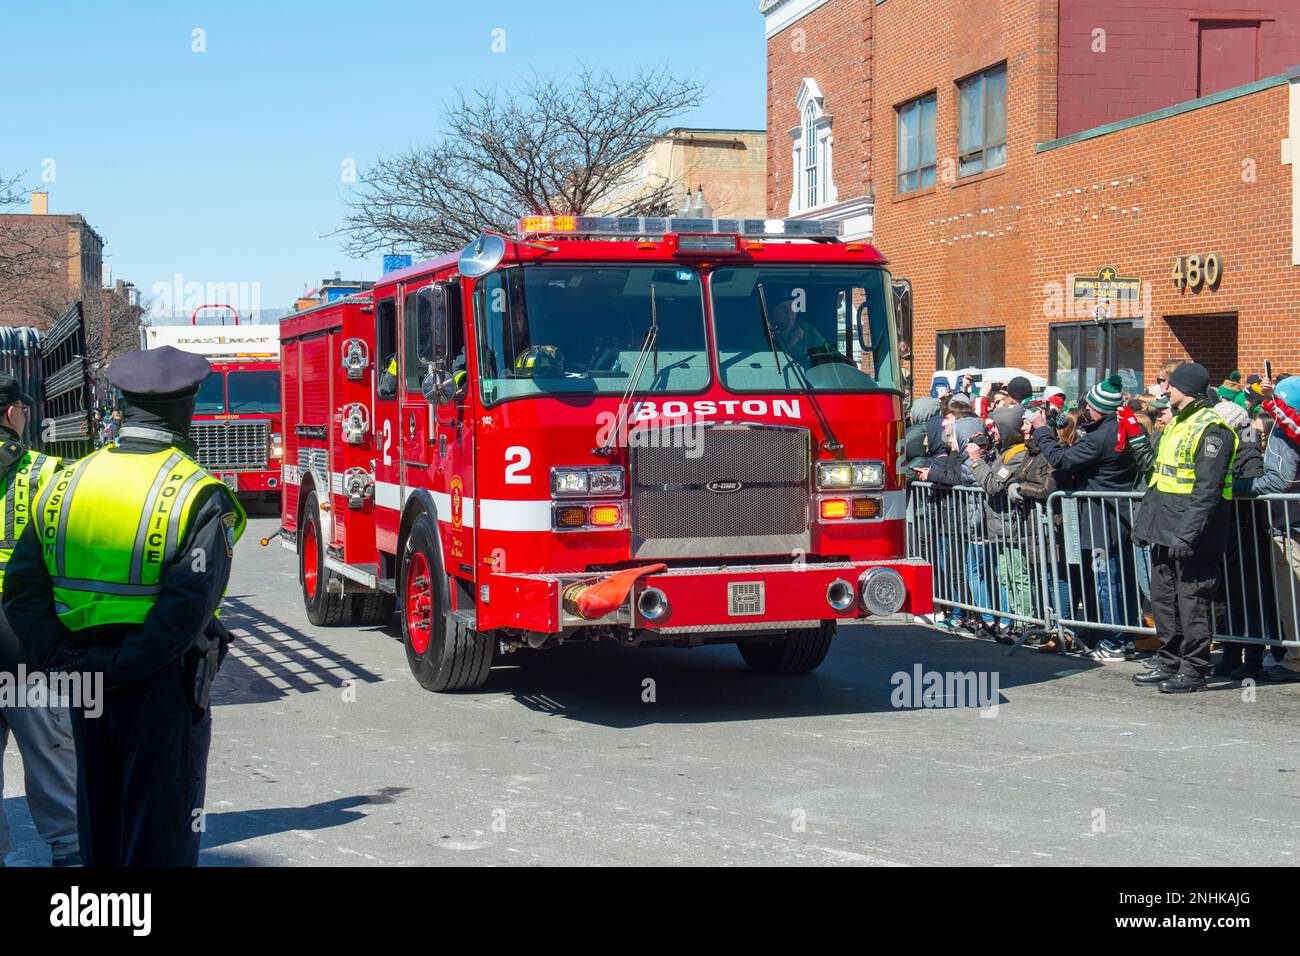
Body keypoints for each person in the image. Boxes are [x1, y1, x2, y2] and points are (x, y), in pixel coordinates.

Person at [3, 346, 247, 866]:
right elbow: (185, 612)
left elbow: (22, 590)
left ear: (121, 404)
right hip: (160, 686)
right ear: (188, 408)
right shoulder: (198, 493)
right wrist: (120, 668)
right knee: (160, 829)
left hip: (83, 682)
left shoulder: (65, 482)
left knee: (99, 822)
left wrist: (69, 664)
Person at [0, 375, 79, 867]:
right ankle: (74, 865)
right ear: (12, 413)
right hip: (24, 635)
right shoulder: (49, 474)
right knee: (52, 755)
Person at [1131, 363, 1236, 693]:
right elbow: (1159, 478)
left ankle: (1194, 670)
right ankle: (1169, 660)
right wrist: (1144, 526)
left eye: (1170, 385)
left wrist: (1187, 533)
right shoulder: (1177, 422)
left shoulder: (1212, 428)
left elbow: (1207, 489)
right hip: (1164, 525)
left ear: (1185, 388)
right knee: (1165, 599)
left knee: (1193, 602)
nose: (1165, 390)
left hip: (1195, 532)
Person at [1029, 375, 1139, 661]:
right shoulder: (1118, 428)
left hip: (1103, 521)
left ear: (1097, 407)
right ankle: (1119, 636)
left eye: (1087, 405)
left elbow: (1062, 460)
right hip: (1115, 517)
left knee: (1108, 581)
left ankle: (1114, 641)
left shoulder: (1102, 436)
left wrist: (1042, 431)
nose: (1084, 410)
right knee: (1118, 580)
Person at [1237, 376, 1300, 682]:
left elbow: (1278, 480)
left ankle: (1296, 660)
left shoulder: (1286, 434)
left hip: (1288, 523)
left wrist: (1239, 487)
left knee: (1292, 596)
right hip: (1291, 521)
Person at [1210, 399, 1269, 679]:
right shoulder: (1226, 443)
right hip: (1225, 530)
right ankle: (1230, 653)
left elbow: (1253, 476)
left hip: (1244, 533)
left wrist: (1226, 484)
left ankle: (1253, 657)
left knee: (1248, 598)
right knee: (1226, 597)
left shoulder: (1247, 441)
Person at [769, 296, 828, 362]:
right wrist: (792, 341)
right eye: (786, 310)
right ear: (774, 311)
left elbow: (827, 353)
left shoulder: (807, 330)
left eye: (794, 309)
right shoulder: (764, 333)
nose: (791, 314)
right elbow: (773, 364)